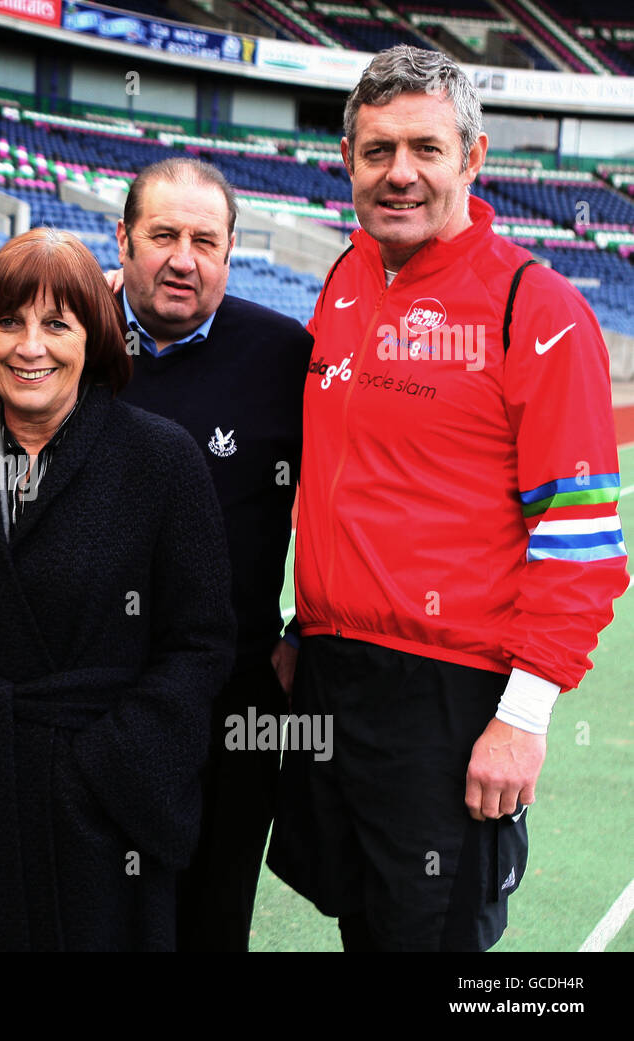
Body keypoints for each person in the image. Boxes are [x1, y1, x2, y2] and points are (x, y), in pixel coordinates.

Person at [267, 45, 628, 951]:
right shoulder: (345, 279)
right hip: (330, 675)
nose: (401, 173)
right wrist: (299, 632)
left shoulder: (534, 308)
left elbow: (579, 538)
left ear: (473, 157)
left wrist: (524, 717)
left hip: (450, 698)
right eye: (378, 150)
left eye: (426, 148)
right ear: (347, 160)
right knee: (360, 919)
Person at [0, 228, 236, 951]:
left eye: (57, 323)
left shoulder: (160, 459)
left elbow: (200, 644)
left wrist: (106, 765)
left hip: (101, 813)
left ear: (94, 336)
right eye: (8, 321)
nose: (30, 346)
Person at [109, 158, 312, 951]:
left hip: (234, 702)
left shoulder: (284, 355)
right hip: (90, 695)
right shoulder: (61, 336)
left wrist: (306, 630)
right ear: (123, 238)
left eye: (204, 239)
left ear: (231, 251)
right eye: (162, 235)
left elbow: (341, 505)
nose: (182, 258)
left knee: (214, 912)